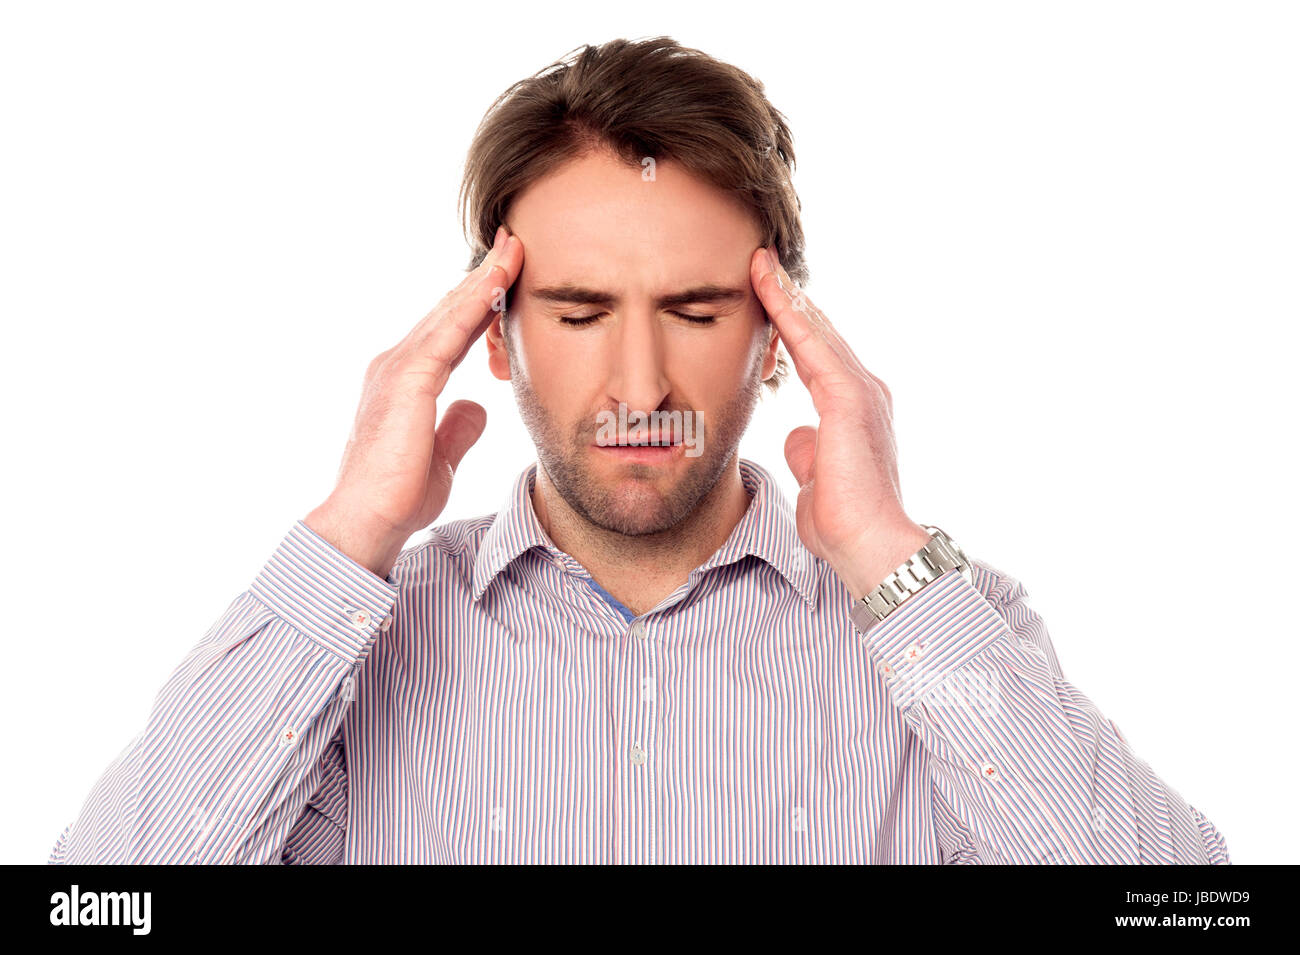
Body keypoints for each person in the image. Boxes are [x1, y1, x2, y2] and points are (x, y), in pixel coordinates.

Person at [48, 36, 1229, 865]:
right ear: (495, 338)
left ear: (777, 338)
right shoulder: (358, 643)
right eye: (576, 311)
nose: (639, 384)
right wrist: (352, 530)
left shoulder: (932, 625)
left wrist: (882, 552)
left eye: (698, 311)